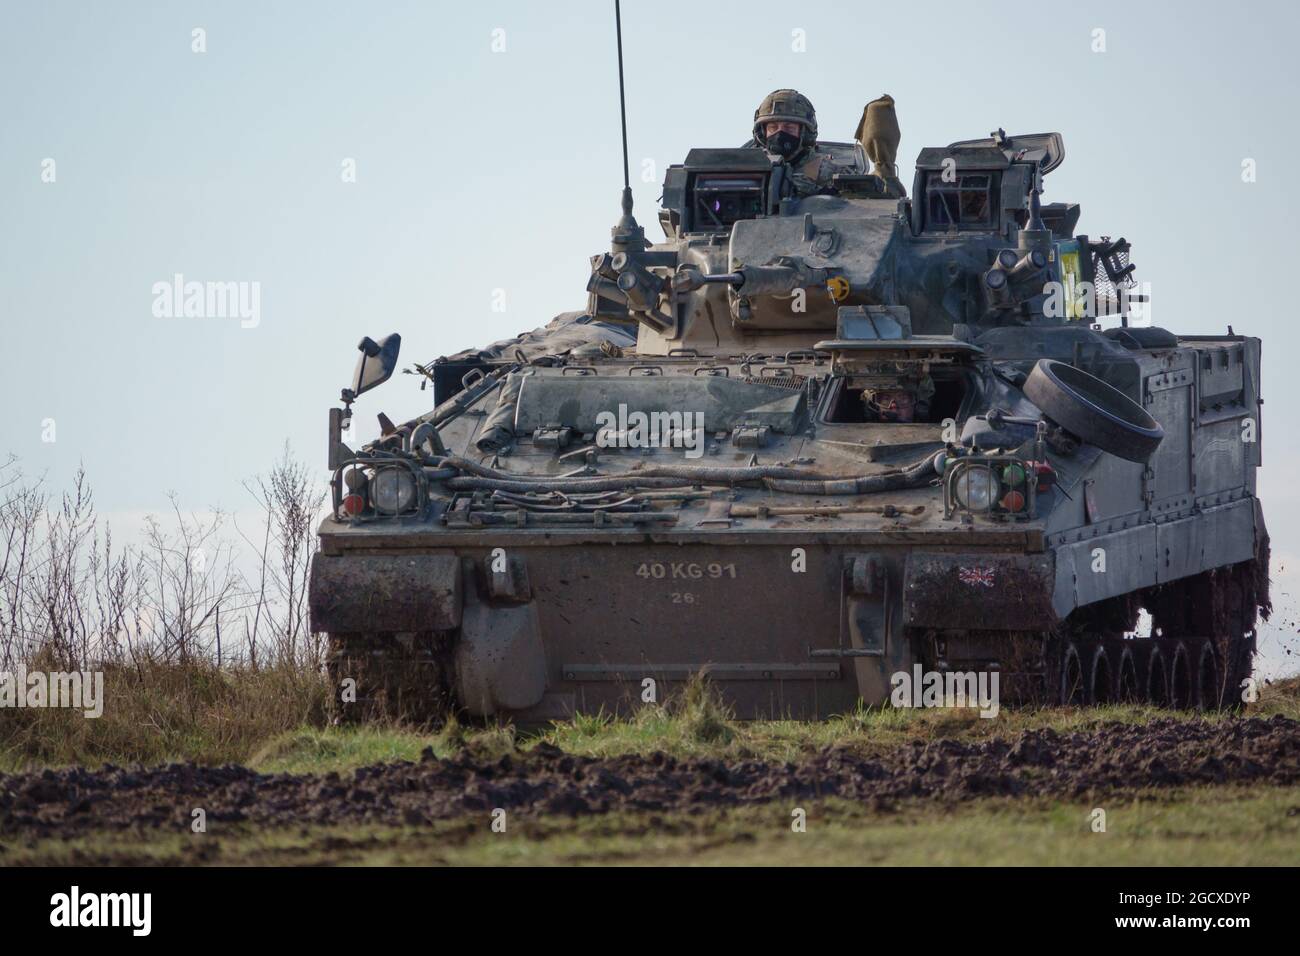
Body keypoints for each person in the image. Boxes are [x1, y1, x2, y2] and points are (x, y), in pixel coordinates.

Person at [752, 89, 854, 198]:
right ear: (763, 133)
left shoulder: (829, 172)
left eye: (789, 128)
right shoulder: (750, 167)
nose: (780, 133)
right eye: (773, 128)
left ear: (805, 134)